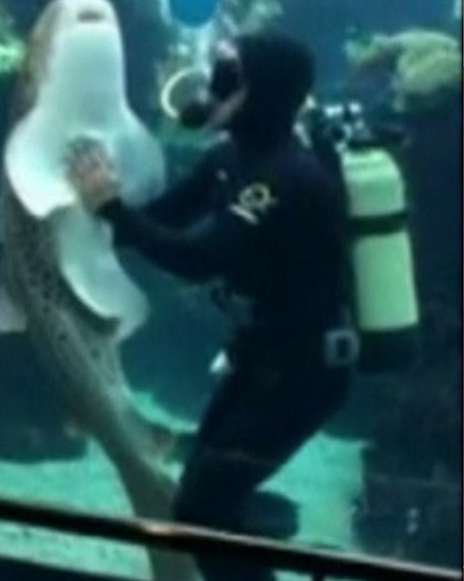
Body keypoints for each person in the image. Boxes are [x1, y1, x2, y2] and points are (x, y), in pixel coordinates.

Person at [66, 32, 359, 581]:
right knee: (203, 498)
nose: (211, 87)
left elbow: (200, 257)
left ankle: (275, 540)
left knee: (201, 511)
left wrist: (112, 210)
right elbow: (165, 217)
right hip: (260, 359)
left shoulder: (282, 177)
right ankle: (268, 532)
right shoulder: (231, 158)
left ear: (261, 92)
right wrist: (88, 212)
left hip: (303, 374)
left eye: (228, 76)